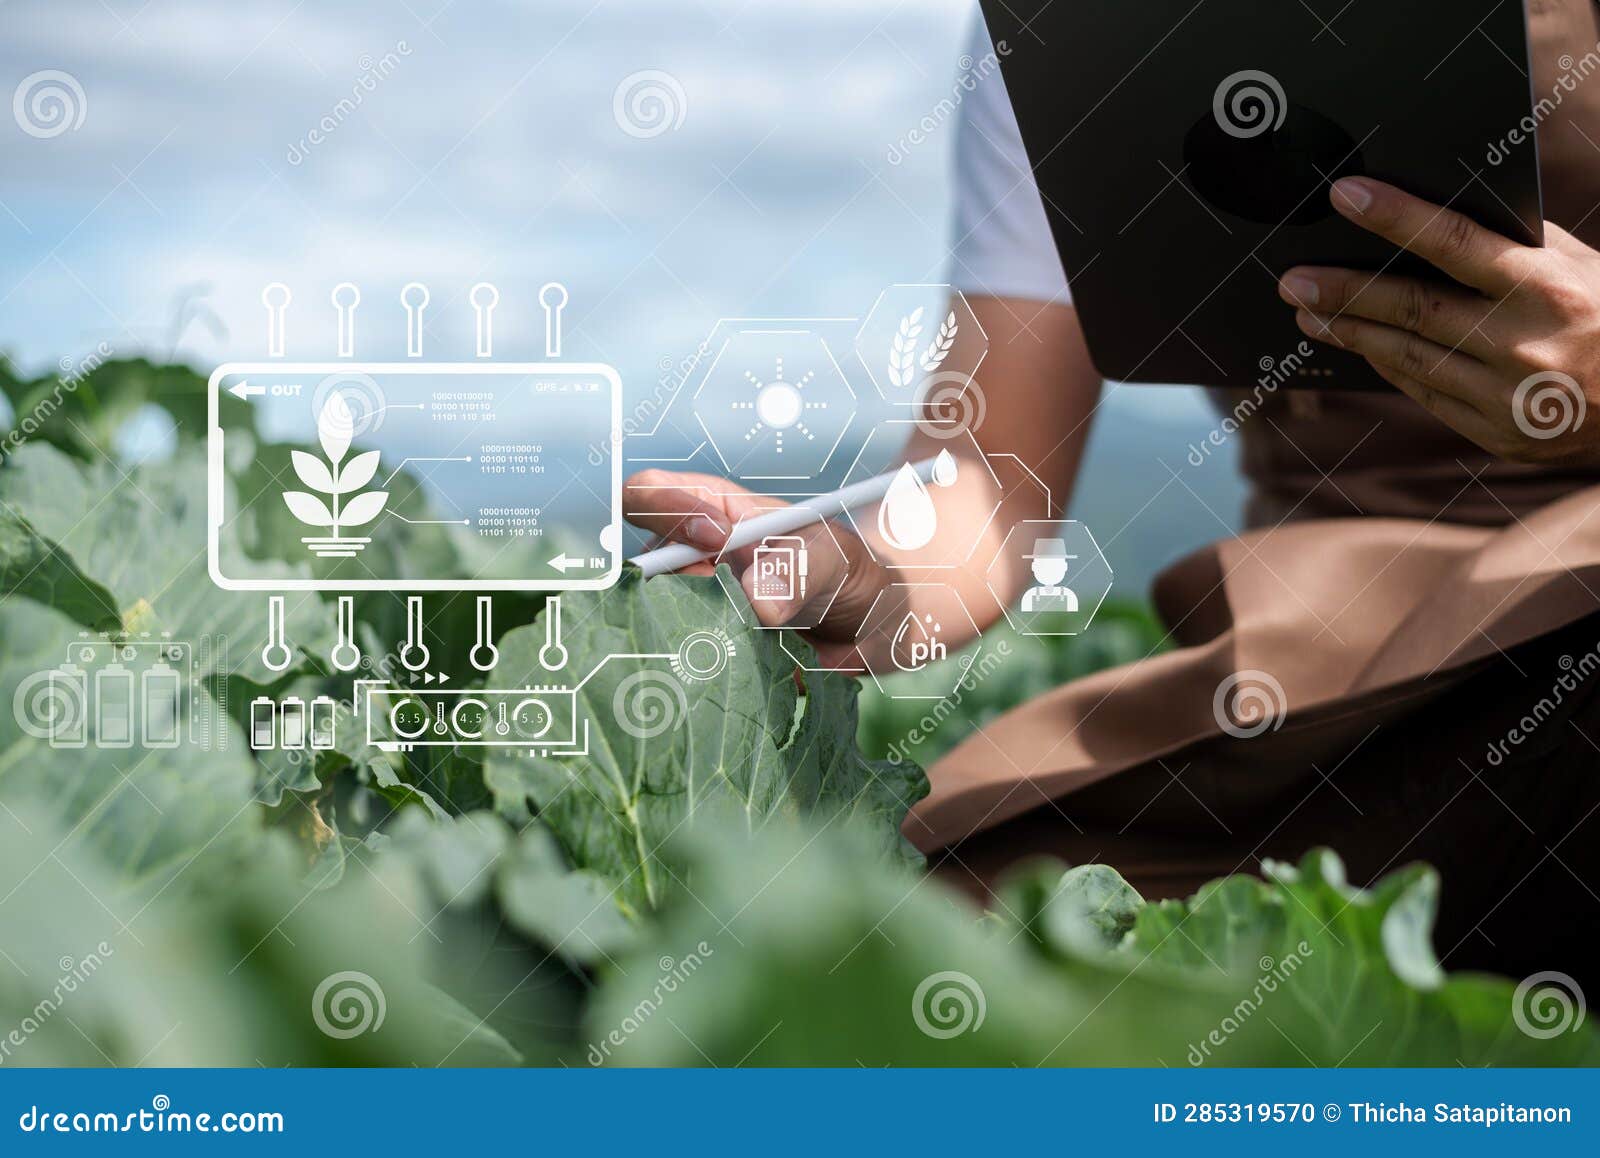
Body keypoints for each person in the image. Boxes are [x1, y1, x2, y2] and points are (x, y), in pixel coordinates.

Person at [625, 4, 1600, 985]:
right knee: (902, 915)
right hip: (1328, 655)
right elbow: (992, 479)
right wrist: (862, 572)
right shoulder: (1069, 31)